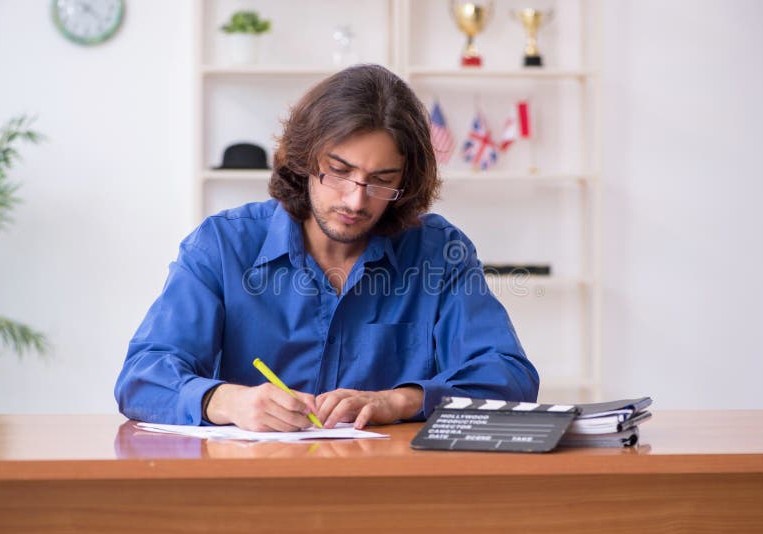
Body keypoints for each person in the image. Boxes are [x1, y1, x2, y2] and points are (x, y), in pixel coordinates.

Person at [115, 64, 539, 431]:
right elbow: (142, 378)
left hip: (390, 487)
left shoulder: (439, 252)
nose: (356, 200)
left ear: (406, 182)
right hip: (255, 487)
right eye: (338, 171)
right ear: (305, 159)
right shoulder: (222, 245)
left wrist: (399, 401)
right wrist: (227, 401)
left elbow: (509, 378)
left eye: (382, 181)